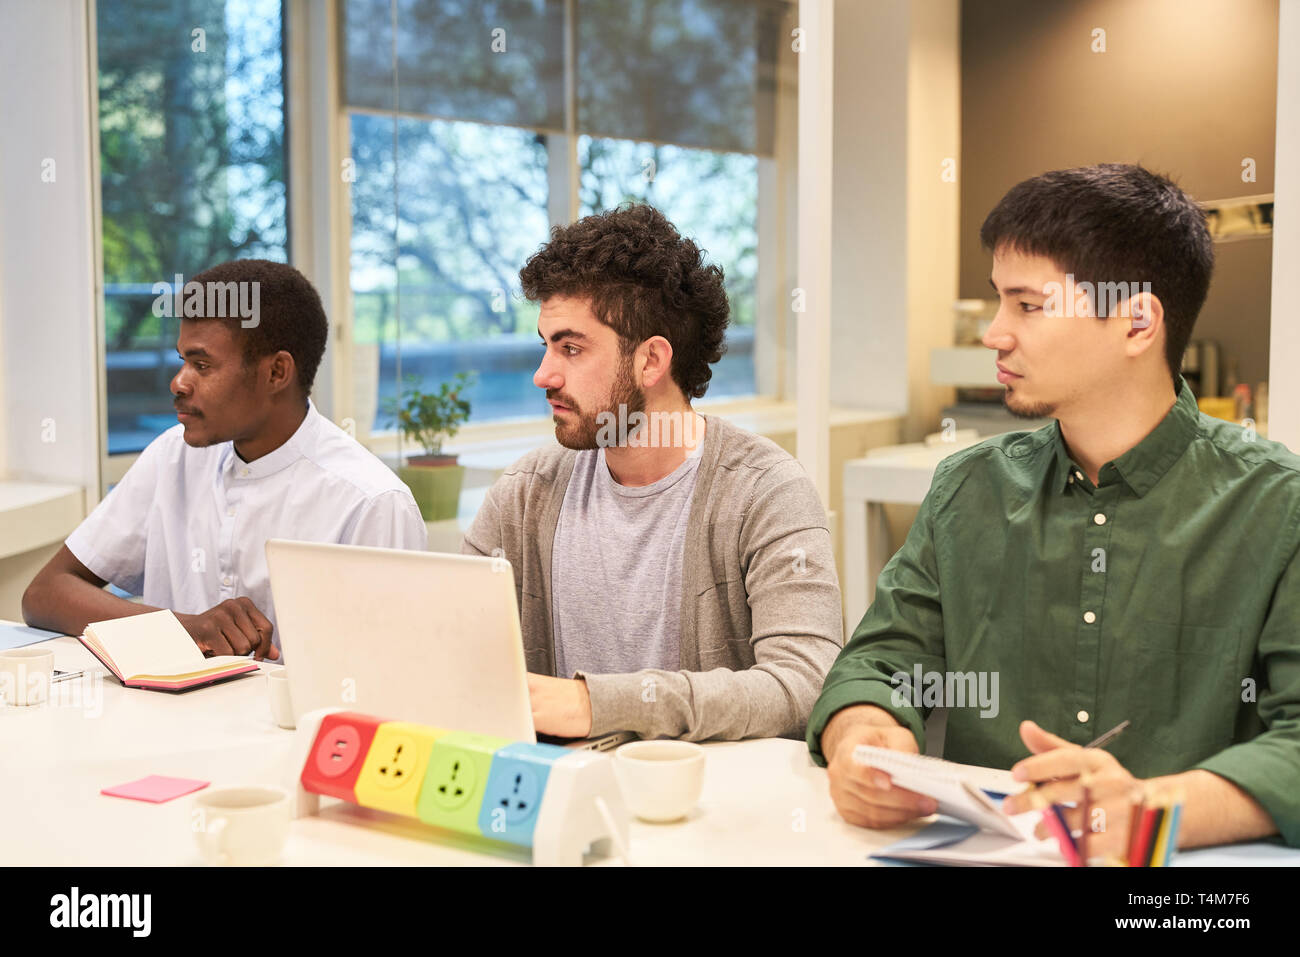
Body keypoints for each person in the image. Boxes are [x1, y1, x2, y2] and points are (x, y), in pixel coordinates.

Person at [809, 164, 1300, 852]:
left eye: (1028, 305)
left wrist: (1153, 808)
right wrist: (864, 736)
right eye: (998, 301)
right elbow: (878, 663)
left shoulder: (1278, 504)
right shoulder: (967, 489)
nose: (995, 334)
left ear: (1136, 322)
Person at [463, 204, 843, 741]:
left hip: (708, 807)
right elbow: (452, 646)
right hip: (561, 800)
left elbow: (805, 683)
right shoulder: (526, 492)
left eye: (571, 348)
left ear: (650, 361)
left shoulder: (766, 491)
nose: (543, 374)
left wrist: (599, 705)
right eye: (546, 346)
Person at [23, 259, 427, 659]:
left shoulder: (371, 503)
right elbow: (45, 594)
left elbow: (391, 678)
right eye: (182, 360)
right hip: (160, 718)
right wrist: (185, 627)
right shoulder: (172, 455)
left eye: (202, 365)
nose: (178, 382)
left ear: (276, 372)